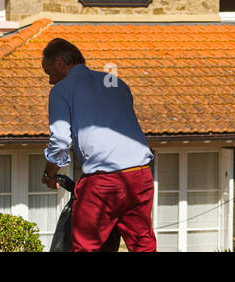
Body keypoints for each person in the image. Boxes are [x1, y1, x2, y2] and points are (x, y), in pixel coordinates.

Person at [40, 38, 157, 252]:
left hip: (103, 182)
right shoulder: (115, 83)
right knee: (144, 245)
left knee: (86, 247)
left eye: (48, 73)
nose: (50, 81)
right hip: (140, 176)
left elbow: (60, 142)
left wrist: (49, 174)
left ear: (60, 62)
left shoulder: (61, 90)